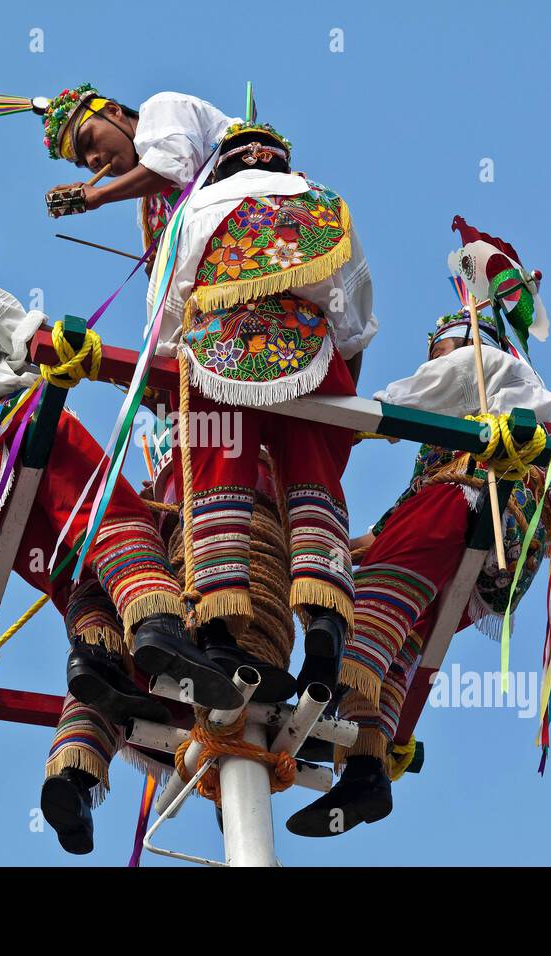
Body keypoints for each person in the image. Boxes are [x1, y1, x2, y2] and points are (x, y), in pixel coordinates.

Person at [0, 151, 245, 735]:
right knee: (113, 513)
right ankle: (160, 628)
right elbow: (9, 324)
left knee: (71, 565)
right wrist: (59, 343)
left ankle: (95, 662)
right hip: (23, 429)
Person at [285, 305, 551, 837]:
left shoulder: (488, 366)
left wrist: (356, 415)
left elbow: (431, 388)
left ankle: (324, 702)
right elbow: (418, 492)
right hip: (483, 553)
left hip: (475, 503)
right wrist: (365, 539)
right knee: (403, 642)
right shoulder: (476, 405)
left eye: (438, 349)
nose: (434, 359)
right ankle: (367, 767)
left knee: (368, 599)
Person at [149, 119, 378, 696]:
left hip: (217, 355)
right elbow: (352, 315)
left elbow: (167, 311)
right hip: (307, 353)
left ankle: (221, 629)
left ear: (223, 165)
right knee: (313, 478)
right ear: (279, 161)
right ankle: (325, 616)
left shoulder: (195, 210)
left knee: (218, 474)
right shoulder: (323, 203)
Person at [0, 84, 238, 250]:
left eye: (89, 142)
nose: (93, 161)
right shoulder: (150, 204)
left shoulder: (161, 107)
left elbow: (173, 162)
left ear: (113, 111)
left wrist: (101, 194)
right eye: (82, 163)